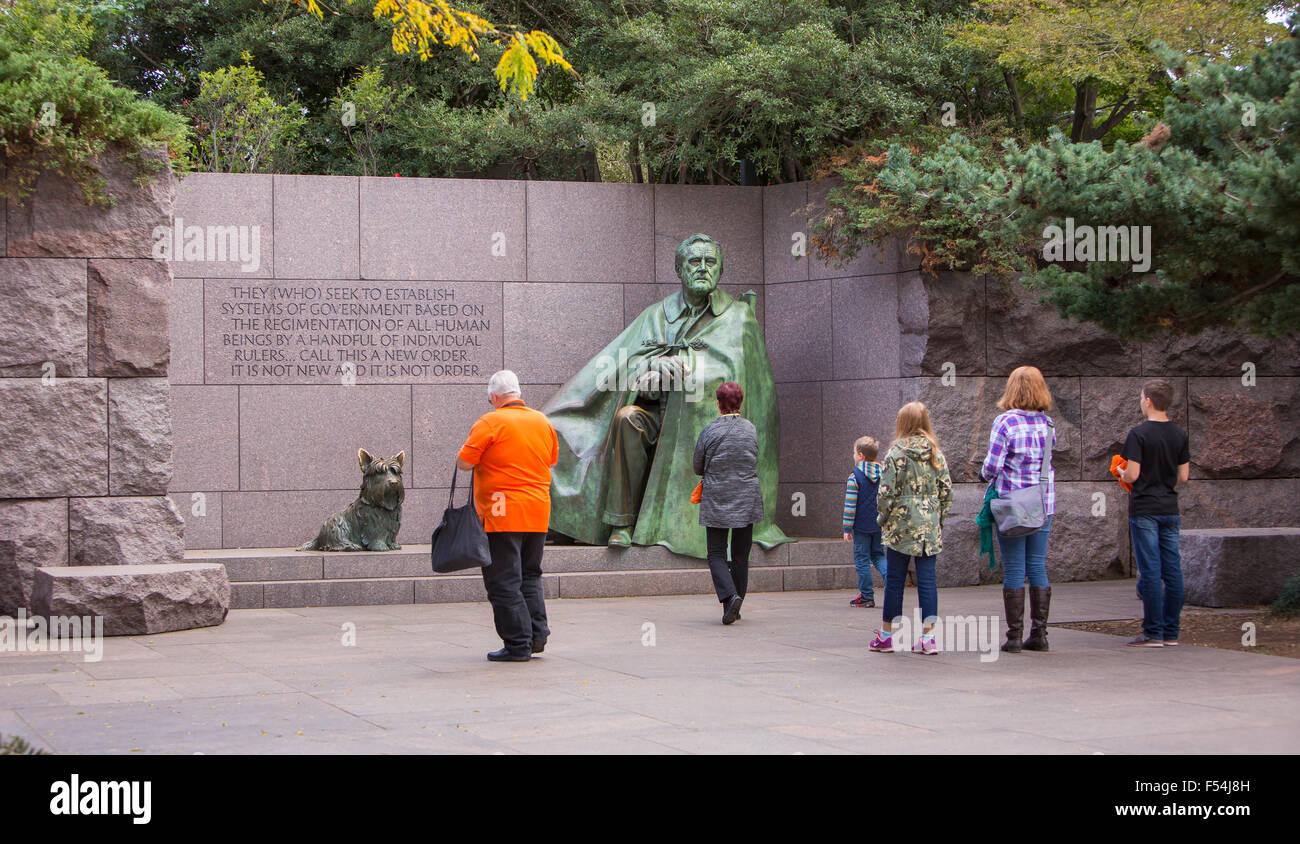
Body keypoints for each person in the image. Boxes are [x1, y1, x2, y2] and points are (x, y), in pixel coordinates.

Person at [541, 234, 791, 559]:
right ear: (679, 269)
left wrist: (684, 367)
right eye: (694, 262)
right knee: (625, 419)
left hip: (700, 424)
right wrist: (648, 372)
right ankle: (620, 523)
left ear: (720, 268)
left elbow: (738, 373)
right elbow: (620, 362)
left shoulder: (738, 315)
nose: (702, 268)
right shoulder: (655, 315)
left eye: (710, 262)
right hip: (656, 412)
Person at [456, 370, 559, 662]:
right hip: (538, 511)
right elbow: (552, 458)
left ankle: (517, 643)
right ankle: (537, 636)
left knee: (503, 580)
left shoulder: (490, 422)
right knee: (530, 575)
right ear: (517, 392)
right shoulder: (542, 421)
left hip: (501, 513)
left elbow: (465, 462)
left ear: (493, 396)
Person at [980, 366, 1057, 653]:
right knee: (1037, 564)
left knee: (1014, 567)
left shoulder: (1005, 423)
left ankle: (1014, 637)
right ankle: (1040, 635)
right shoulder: (1049, 425)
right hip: (1043, 503)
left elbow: (992, 467)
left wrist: (983, 475)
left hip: (1012, 505)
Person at [869, 402, 952, 655]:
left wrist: (882, 520)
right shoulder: (936, 453)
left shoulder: (895, 453)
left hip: (900, 527)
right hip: (928, 528)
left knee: (895, 580)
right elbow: (947, 491)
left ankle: (886, 636)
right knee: (928, 581)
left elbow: (885, 493)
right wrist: (938, 519)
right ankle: (928, 639)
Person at [1119, 379, 1190, 647]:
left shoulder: (1138, 434)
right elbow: (1183, 476)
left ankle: (1153, 631)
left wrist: (1121, 473)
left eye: (1140, 397)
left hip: (1145, 508)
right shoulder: (1179, 434)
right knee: (1173, 569)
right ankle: (1171, 632)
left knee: (1150, 570)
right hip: (1169, 508)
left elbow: (1133, 473)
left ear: (1148, 400)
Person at [693, 382, 764, 625]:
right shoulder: (751, 429)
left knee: (715, 553)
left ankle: (730, 597)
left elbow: (697, 467)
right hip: (747, 497)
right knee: (741, 554)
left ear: (719, 404)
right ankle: (736, 603)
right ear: (740, 403)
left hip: (717, 498)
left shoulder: (709, 431)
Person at [843, 436, 887, 608]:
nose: (853, 455)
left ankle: (867, 595)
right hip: (879, 524)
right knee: (878, 555)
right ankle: (891, 582)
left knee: (862, 559)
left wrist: (847, 527)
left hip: (861, 527)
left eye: (854, 452)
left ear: (860, 455)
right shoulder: (884, 474)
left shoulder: (855, 477)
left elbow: (850, 504)